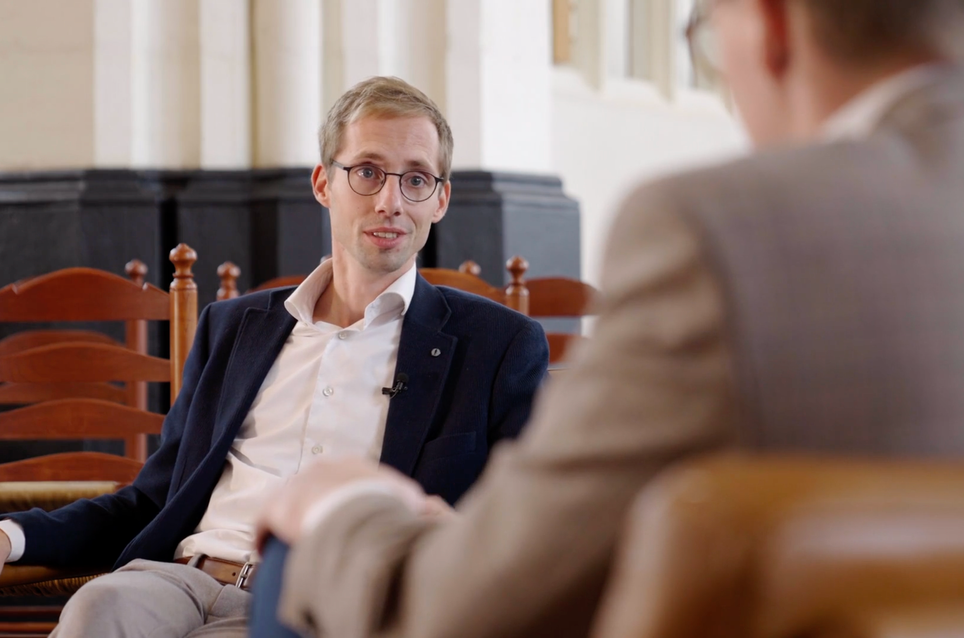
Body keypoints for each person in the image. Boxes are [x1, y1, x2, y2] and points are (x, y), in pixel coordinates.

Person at [250, 1, 964, 637]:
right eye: (367, 174)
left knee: (304, 557)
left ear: (772, 26)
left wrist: (345, 509)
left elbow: (480, 606)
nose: (389, 202)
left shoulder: (720, 231)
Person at [0, 76, 549, 637]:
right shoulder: (235, 329)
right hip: (178, 577)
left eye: (416, 179)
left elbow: (520, 529)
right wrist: (3, 538)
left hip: (310, 605)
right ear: (323, 184)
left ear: (440, 200)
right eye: (367, 171)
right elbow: (153, 499)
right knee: (99, 607)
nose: (391, 200)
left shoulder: (496, 347)